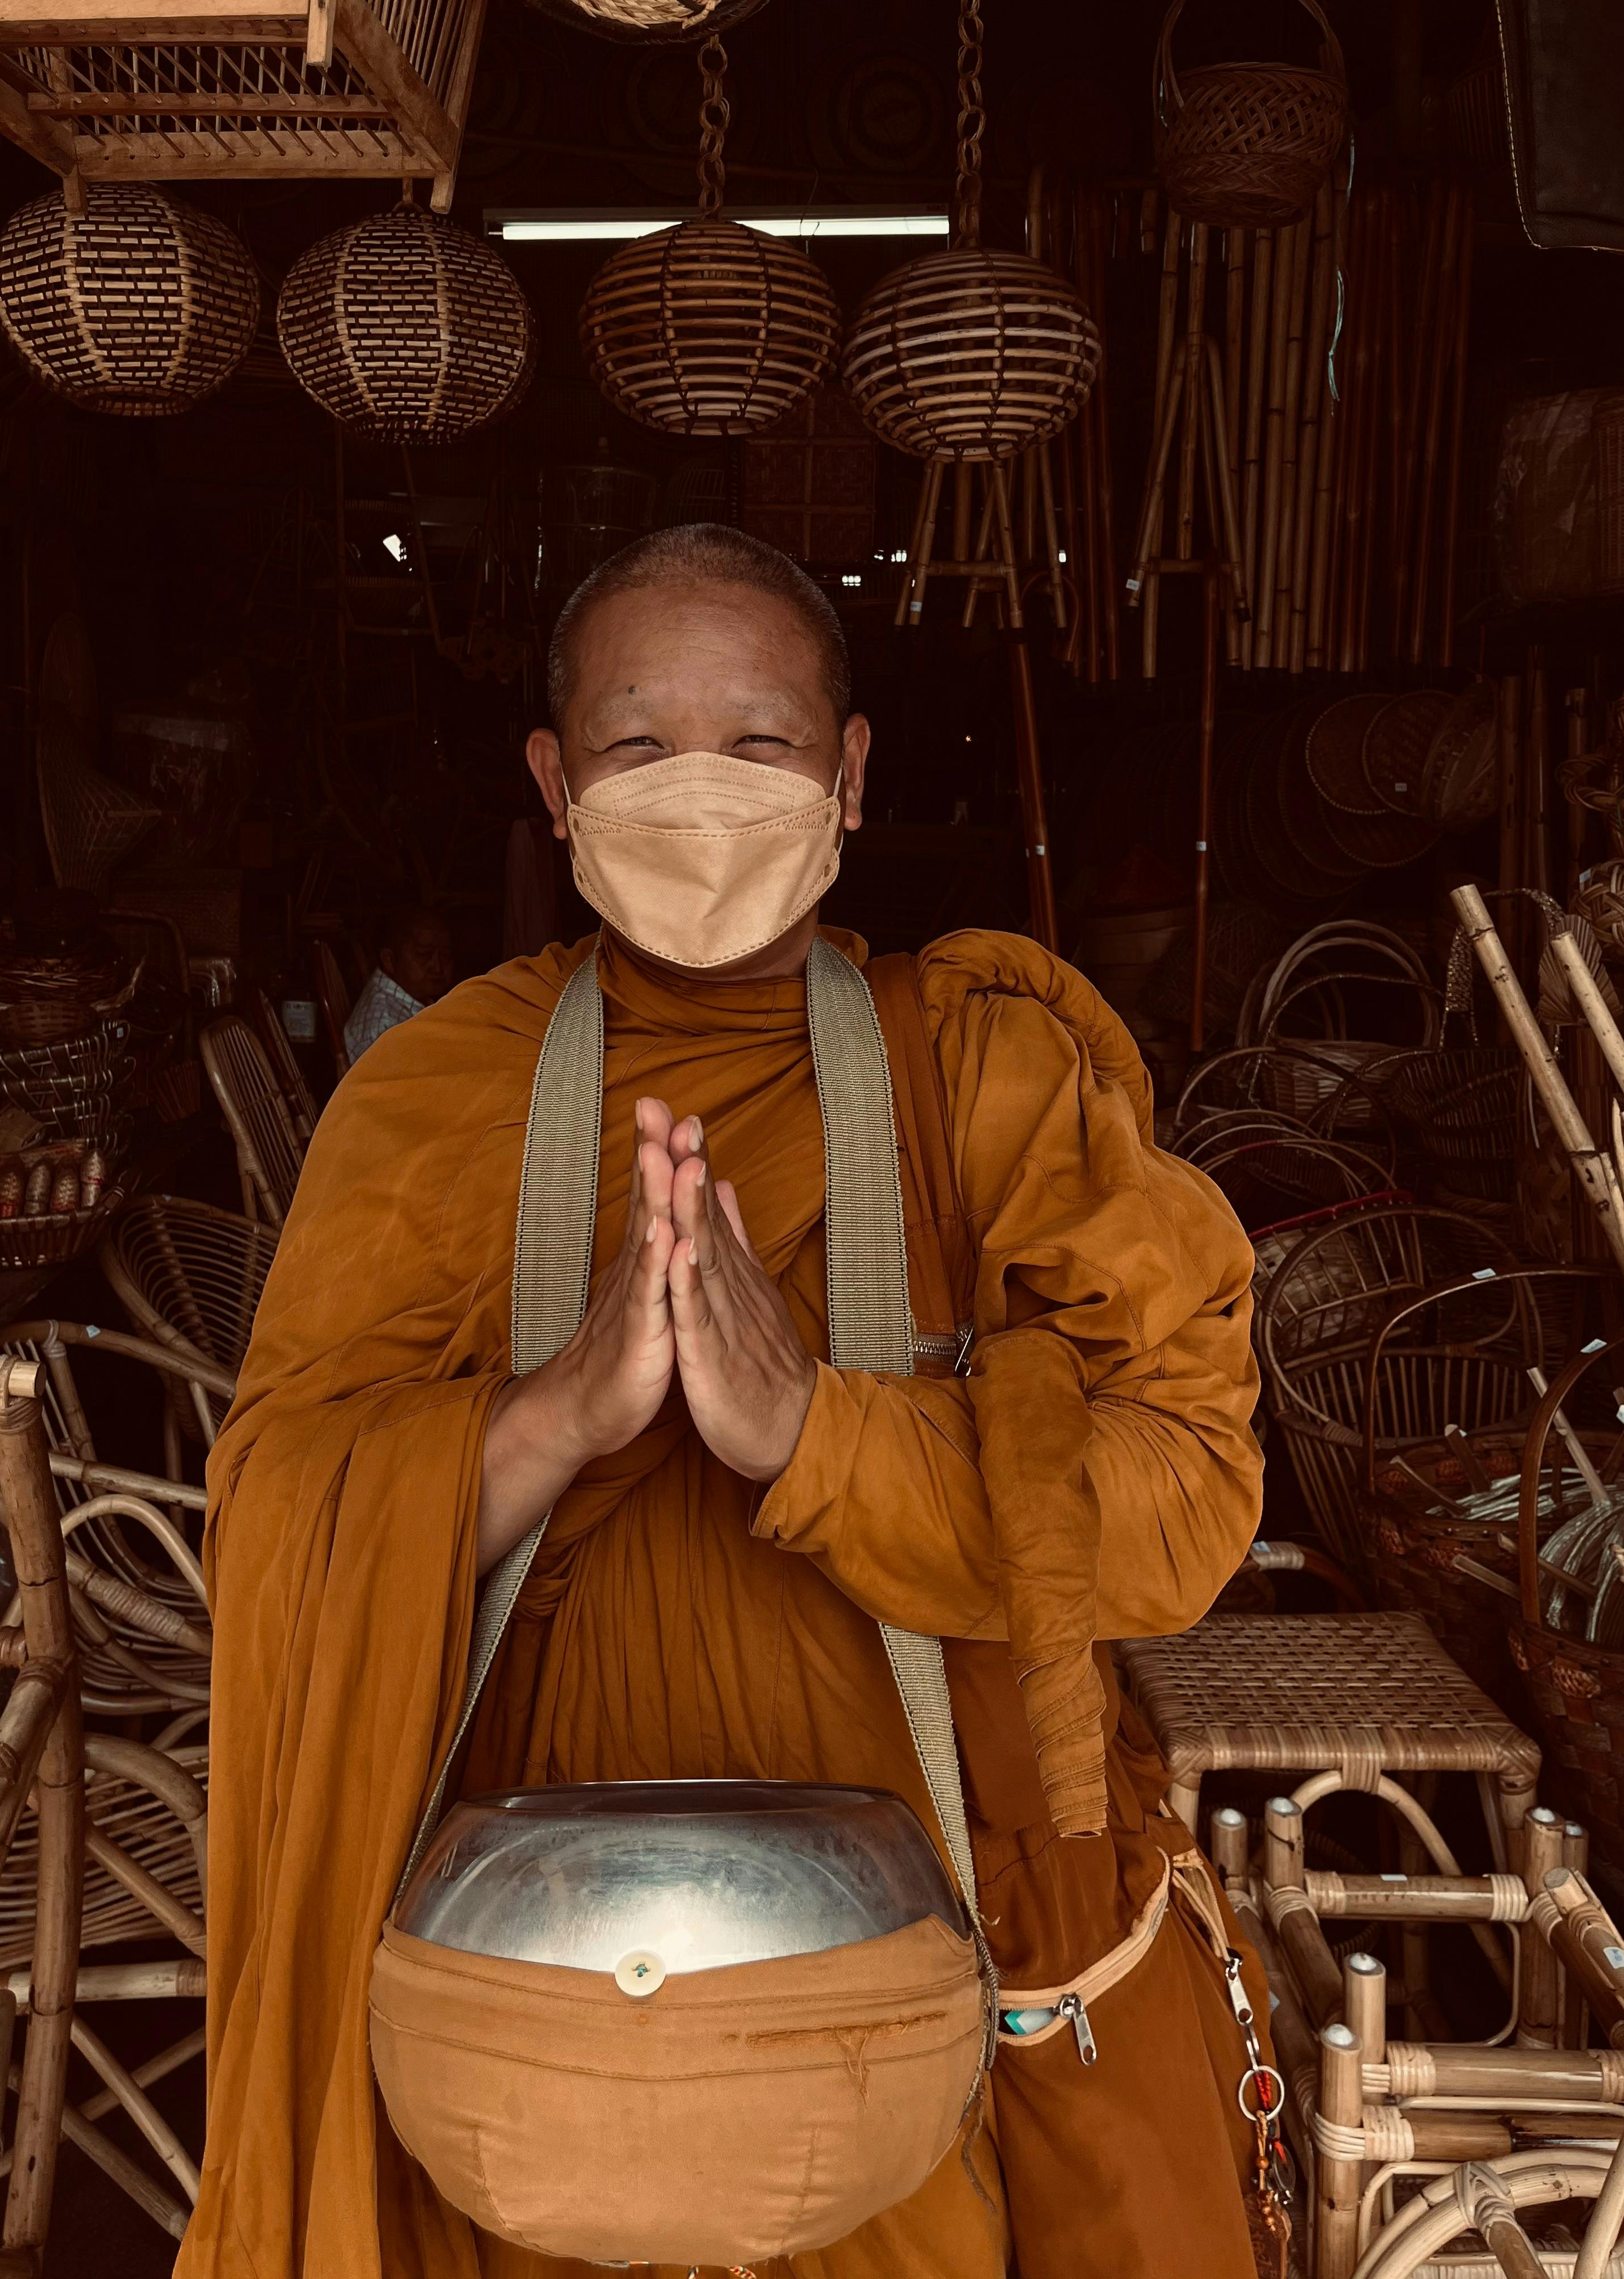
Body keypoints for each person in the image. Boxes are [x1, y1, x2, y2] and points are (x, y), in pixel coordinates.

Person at [183, 525, 1269, 2279]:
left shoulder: (980, 1077)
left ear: (848, 774)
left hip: (912, 1970)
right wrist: (561, 1411)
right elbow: (273, 1537)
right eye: (638, 749)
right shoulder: (428, 1097)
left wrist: (818, 1435)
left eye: (760, 747)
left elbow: (1194, 1495)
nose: (701, 794)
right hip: (515, 1972)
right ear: (554, 781)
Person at [342, 905, 455, 1064]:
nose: (437, 967)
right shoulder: (384, 1024)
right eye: (424, 955)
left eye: (446, 955)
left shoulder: (413, 999)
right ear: (389, 960)